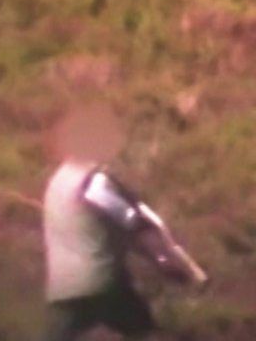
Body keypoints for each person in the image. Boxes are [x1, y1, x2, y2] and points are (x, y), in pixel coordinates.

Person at [41, 103, 207, 341]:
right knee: (144, 332)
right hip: (101, 284)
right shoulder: (94, 181)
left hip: (62, 288)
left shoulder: (57, 181)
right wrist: (171, 264)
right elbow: (134, 223)